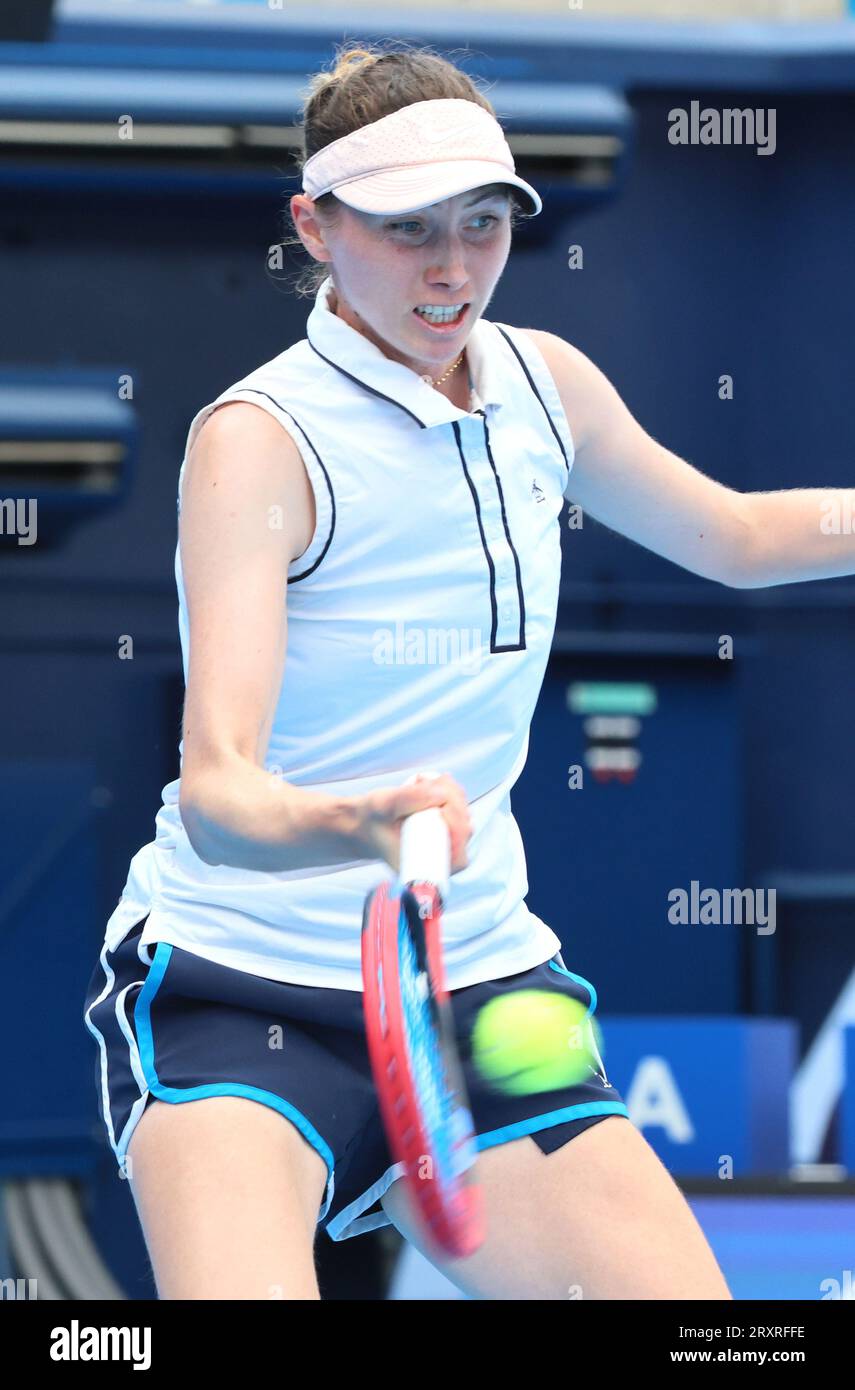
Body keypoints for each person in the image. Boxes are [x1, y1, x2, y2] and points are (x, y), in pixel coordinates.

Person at [83, 41, 735, 1300]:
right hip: (238, 987)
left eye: (483, 223)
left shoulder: (547, 387)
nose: (452, 267)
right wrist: (363, 824)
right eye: (407, 227)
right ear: (314, 227)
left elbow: (737, 537)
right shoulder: (257, 441)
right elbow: (218, 792)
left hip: (482, 983)